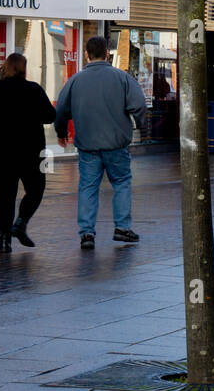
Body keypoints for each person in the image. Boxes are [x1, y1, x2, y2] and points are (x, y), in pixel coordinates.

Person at [55, 36, 147, 249]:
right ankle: (122, 228)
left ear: (87, 54)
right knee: (122, 183)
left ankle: (87, 233)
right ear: (107, 53)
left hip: (87, 145)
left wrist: (61, 132)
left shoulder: (75, 81)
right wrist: (138, 125)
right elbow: (139, 104)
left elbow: (60, 109)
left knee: (88, 187)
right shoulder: (122, 78)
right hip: (116, 144)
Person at [0, 53, 56, 251]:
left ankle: (5, 240)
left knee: (6, 195)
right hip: (32, 151)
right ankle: (21, 222)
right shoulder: (33, 89)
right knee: (36, 189)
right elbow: (50, 116)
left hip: (2, 152)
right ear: (24, 68)